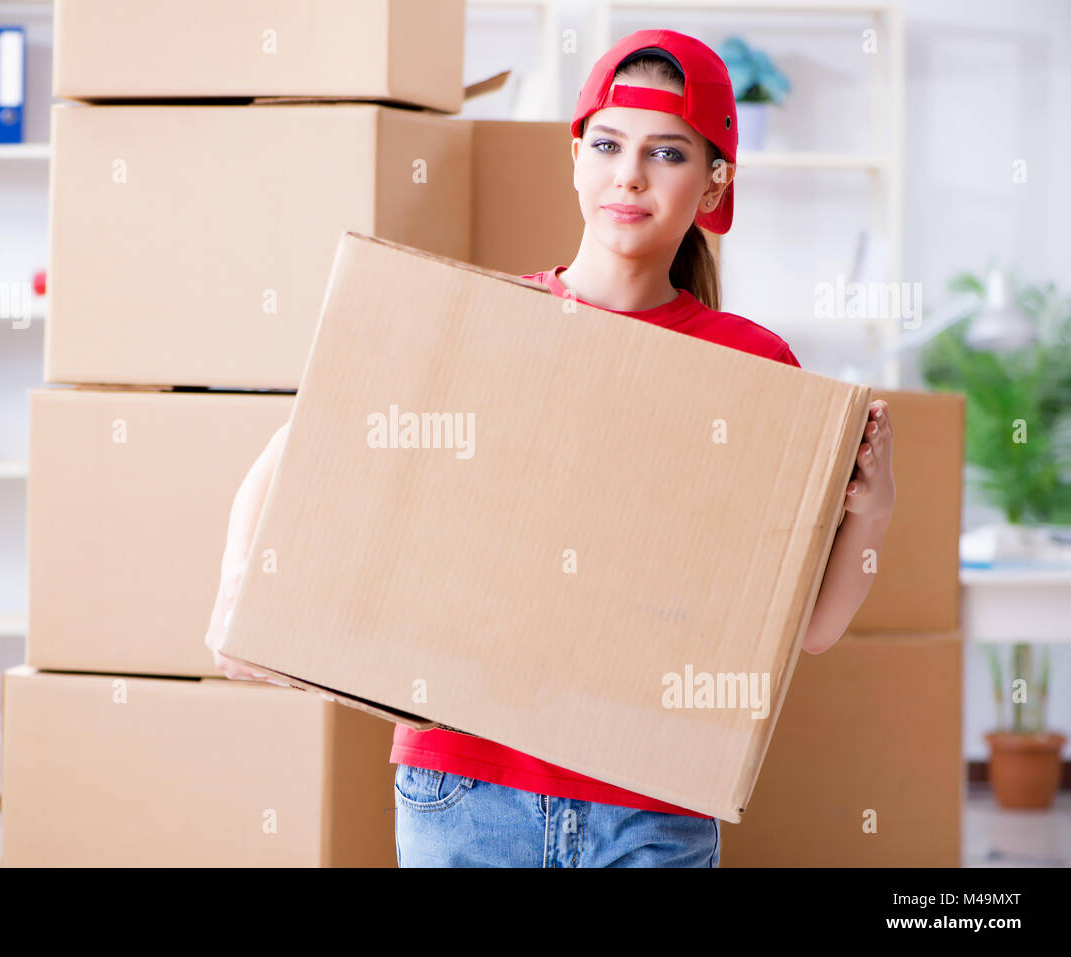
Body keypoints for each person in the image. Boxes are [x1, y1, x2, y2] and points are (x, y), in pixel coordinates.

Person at [205, 28, 896, 868]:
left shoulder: (752, 369)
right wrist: (239, 583)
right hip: (464, 786)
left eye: (667, 152)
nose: (628, 175)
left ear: (715, 181)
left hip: (652, 807)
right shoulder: (489, 320)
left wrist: (874, 507)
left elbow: (811, 630)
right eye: (606, 144)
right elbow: (300, 439)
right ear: (575, 159)